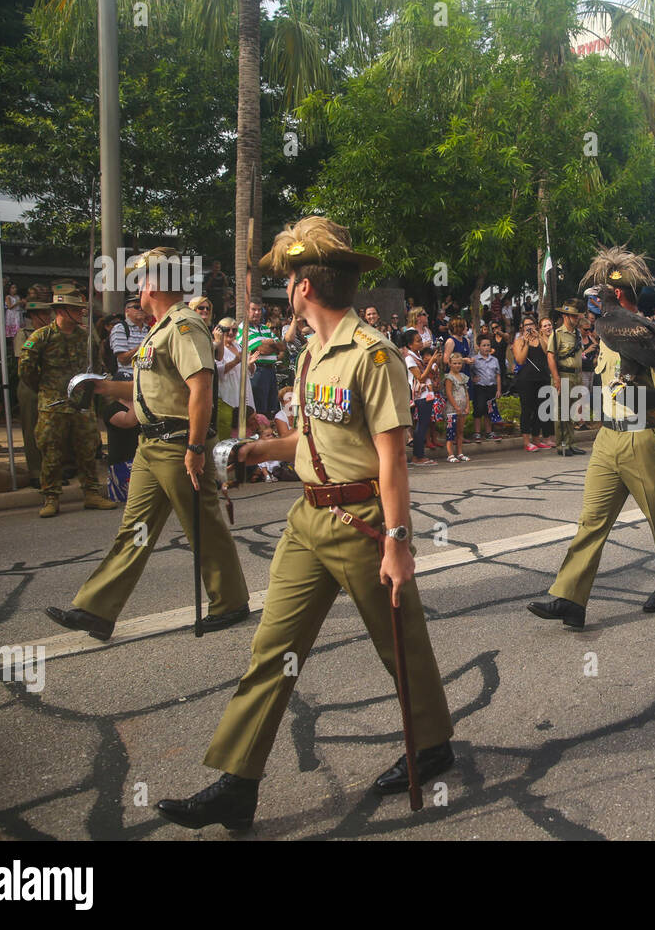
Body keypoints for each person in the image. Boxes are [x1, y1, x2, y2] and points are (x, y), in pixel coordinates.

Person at [155, 216, 454, 830]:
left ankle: (430, 745)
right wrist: (253, 452)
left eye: (288, 281)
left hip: (363, 521)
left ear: (304, 289)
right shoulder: (311, 352)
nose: (283, 291)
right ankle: (238, 783)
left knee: (399, 645)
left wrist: (399, 544)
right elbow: (312, 442)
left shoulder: (374, 355)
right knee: (272, 649)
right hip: (308, 519)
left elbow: (393, 458)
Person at [44, 249, 250, 641]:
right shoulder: (160, 328)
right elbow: (147, 388)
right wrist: (100, 386)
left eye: (140, 281)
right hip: (151, 446)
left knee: (202, 526)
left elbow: (201, 387)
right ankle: (96, 610)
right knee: (134, 529)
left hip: (177, 444)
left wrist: (195, 448)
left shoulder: (185, 325)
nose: (137, 289)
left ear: (153, 283)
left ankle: (230, 601)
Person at [527, 246, 655, 629]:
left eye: (604, 294)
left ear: (620, 297)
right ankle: (570, 598)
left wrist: (623, 395)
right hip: (607, 440)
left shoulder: (650, 333)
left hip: (643, 438)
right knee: (591, 520)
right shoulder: (607, 329)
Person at [17, 283, 118, 518]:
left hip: (81, 405)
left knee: (87, 449)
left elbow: (94, 366)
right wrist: (47, 390)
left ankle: (91, 493)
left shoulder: (86, 337)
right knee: (51, 452)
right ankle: (51, 497)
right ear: (62, 310)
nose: (82, 311)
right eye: (77, 308)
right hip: (52, 406)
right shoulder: (41, 337)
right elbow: (26, 371)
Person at [16, 294, 55, 482]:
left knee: (52, 431)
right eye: (45, 313)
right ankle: (36, 473)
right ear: (35, 315)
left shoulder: (52, 334)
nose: (49, 317)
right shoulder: (24, 334)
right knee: (32, 430)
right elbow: (23, 366)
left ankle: (52, 471)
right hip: (30, 386)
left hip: (50, 386)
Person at [548, 300, 584, 455]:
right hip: (563, 375)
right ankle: (561, 444)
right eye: (573, 316)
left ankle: (570, 443)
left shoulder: (577, 334)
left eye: (577, 316)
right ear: (565, 316)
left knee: (572, 411)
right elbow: (550, 357)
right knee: (562, 412)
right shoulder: (557, 335)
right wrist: (556, 378)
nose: (576, 319)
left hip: (576, 375)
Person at [212, 317, 256, 442]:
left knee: (247, 429)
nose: (231, 333)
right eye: (227, 330)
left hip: (244, 392)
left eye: (234, 330)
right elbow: (218, 371)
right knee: (228, 432)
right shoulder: (217, 348)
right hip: (227, 395)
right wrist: (236, 361)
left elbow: (250, 372)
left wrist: (250, 364)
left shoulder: (239, 346)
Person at [512, 314, 551, 452]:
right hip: (526, 380)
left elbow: (548, 352)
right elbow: (520, 360)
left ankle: (536, 439)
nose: (529, 328)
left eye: (531, 325)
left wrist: (539, 337)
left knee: (540, 409)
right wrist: (527, 342)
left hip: (542, 378)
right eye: (526, 325)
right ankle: (526, 441)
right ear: (522, 327)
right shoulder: (519, 341)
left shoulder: (541, 338)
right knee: (527, 410)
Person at [242, 298, 284, 417]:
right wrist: (272, 345)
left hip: (271, 370)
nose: (257, 312)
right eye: (253, 309)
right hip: (256, 370)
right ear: (247, 311)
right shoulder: (243, 328)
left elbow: (282, 347)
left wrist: (270, 343)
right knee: (259, 408)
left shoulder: (265, 328)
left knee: (271, 407)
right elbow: (263, 349)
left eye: (259, 310)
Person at [403, 330, 437, 465]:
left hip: (427, 393)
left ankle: (420, 454)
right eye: (418, 341)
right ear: (410, 344)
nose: (421, 343)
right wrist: (431, 362)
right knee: (421, 426)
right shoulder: (409, 359)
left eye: (421, 340)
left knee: (424, 424)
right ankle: (418, 456)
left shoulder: (418, 356)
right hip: (420, 395)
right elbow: (420, 377)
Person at [110, 296, 150, 380]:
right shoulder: (120, 328)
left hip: (146, 377)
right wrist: (142, 347)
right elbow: (122, 359)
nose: (140, 309)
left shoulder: (149, 329)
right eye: (136, 307)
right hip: (127, 377)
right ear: (127, 310)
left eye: (142, 307)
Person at [470, 335, 502, 441]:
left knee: (489, 410)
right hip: (480, 388)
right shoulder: (474, 360)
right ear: (478, 346)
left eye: (488, 345)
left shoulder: (494, 360)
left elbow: (498, 375)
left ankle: (489, 432)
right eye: (484, 345)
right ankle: (477, 432)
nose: (486, 347)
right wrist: (472, 379)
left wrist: (498, 390)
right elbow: (468, 371)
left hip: (491, 388)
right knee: (479, 409)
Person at [444, 352, 470, 463]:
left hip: (462, 407)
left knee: (460, 431)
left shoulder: (463, 377)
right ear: (450, 364)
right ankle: (450, 454)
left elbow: (466, 392)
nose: (457, 365)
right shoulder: (449, 378)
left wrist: (467, 406)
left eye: (459, 363)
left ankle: (460, 453)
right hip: (452, 409)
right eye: (455, 363)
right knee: (451, 431)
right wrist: (456, 407)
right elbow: (449, 393)